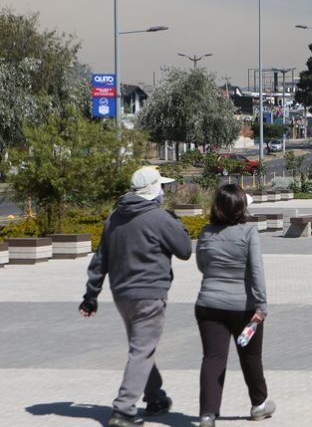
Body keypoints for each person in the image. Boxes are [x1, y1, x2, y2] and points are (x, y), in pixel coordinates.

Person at [79, 167, 192, 427]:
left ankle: (155, 398)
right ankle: (123, 410)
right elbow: (185, 250)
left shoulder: (114, 218)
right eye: (161, 187)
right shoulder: (159, 218)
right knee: (142, 349)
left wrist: (91, 295)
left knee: (141, 346)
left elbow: (100, 259)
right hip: (150, 293)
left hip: (122, 294)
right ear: (153, 189)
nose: (163, 192)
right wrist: (176, 223)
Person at [194, 184, 275, 427]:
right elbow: (256, 271)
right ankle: (259, 405)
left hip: (208, 303)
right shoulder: (249, 233)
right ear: (241, 208)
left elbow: (202, 264)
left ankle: (207, 414)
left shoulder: (206, 232)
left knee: (213, 358)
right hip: (243, 307)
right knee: (250, 356)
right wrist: (262, 306)